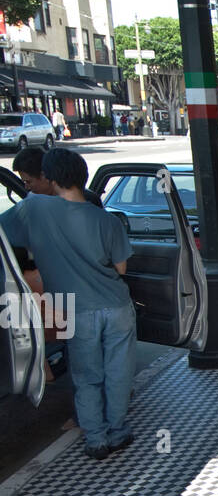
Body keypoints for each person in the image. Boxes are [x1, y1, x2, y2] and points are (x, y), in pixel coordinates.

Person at [0, 147, 136, 460]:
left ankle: (96, 440)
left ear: (49, 176)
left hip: (74, 308)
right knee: (117, 372)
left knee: (86, 375)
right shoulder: (105, 219)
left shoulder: (33, 211)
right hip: (116, 307)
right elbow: (122, 269)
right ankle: (118, 432)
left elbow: (3, 236)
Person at [12, 145, 103, 207]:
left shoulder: (87, 201)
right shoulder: (32, 203)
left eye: (28, 182)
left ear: (44, 175)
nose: (26, 187)